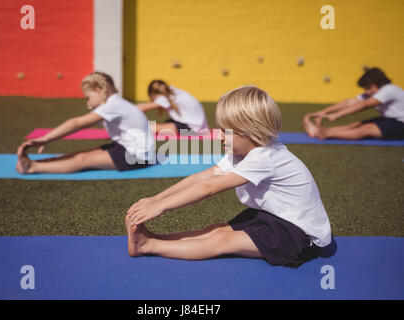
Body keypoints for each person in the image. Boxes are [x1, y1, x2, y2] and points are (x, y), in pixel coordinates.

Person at [125, 85, 332, 268]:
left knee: (221, 242)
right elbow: (201, 179)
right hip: (274, 216)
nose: (219, 136)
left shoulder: (265, 157)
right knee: (216, 230)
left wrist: (161, 207)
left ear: (251, 131)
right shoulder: (239, 154)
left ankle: (149, 246)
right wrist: (155, 199)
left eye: (226, 131)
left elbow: (210, 188)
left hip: (296, 234)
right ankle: (153, 238)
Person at [16, 72, 156, 174]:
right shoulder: (117, 103)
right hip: (128, 148)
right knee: (79, 154)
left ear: (98, 90)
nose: (88, 104)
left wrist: (46, 138)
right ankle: (36, 162)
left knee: (83, 159)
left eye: (88, 98)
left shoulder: (114, 106)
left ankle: (32, 167)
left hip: (137, 157)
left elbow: (76, 123)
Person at [303, 67, 404, 140]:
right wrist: (323, 112)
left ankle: (327, 134)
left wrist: (337, 115)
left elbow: (364, 105)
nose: (367, 92)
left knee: (368, 128)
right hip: (392, 120)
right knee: (356, 124)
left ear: (380, 83)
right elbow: (349, 102)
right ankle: (322, 132)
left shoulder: (389, 89)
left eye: (369, 88)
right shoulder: (377, 91)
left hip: (401, 123)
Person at [136, 80, 209, 134]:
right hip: (197, 126)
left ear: (153, 95)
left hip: (194, 129)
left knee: (151, 128)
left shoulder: (165, 98)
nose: (153, 102)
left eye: (153, 100)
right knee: (158, 125)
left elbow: (139, 108)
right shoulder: (173, 92)